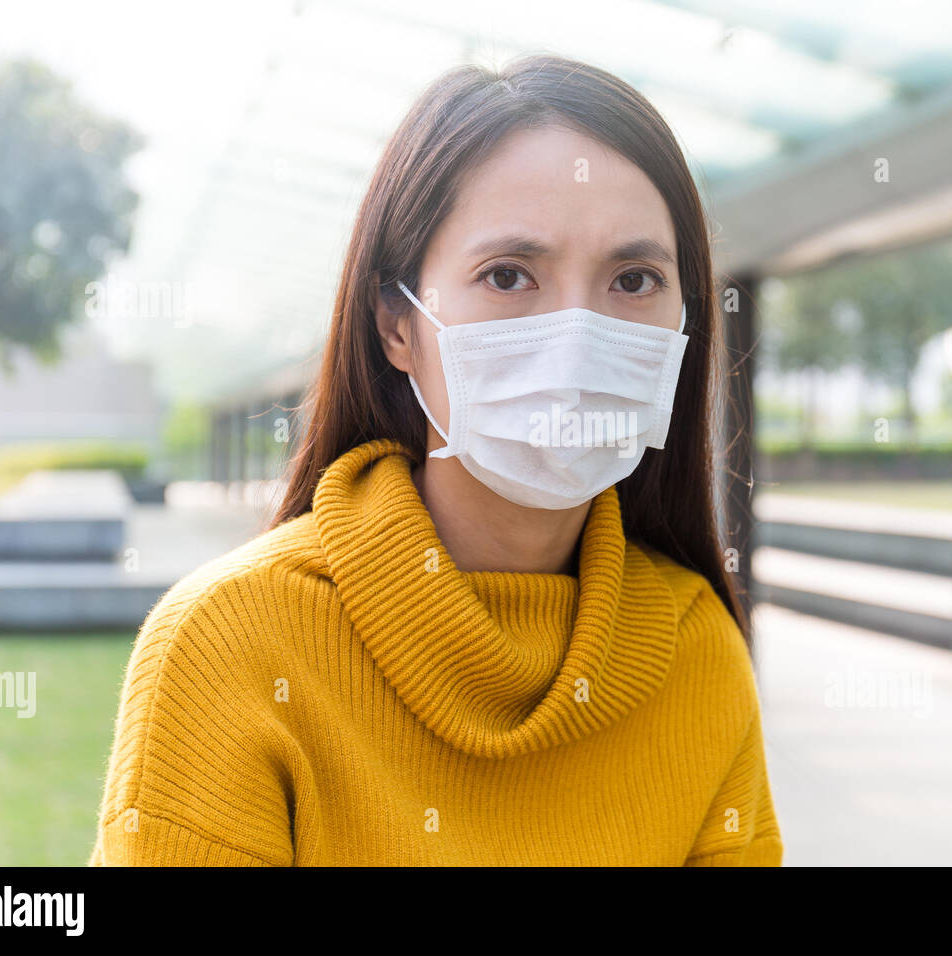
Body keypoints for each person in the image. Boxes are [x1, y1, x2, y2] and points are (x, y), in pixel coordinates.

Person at [88, 53, 783, 866]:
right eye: (509, 275)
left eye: (633, 279)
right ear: (397, 327)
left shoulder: (698, 649)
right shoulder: (226, 648)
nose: (576, 339)